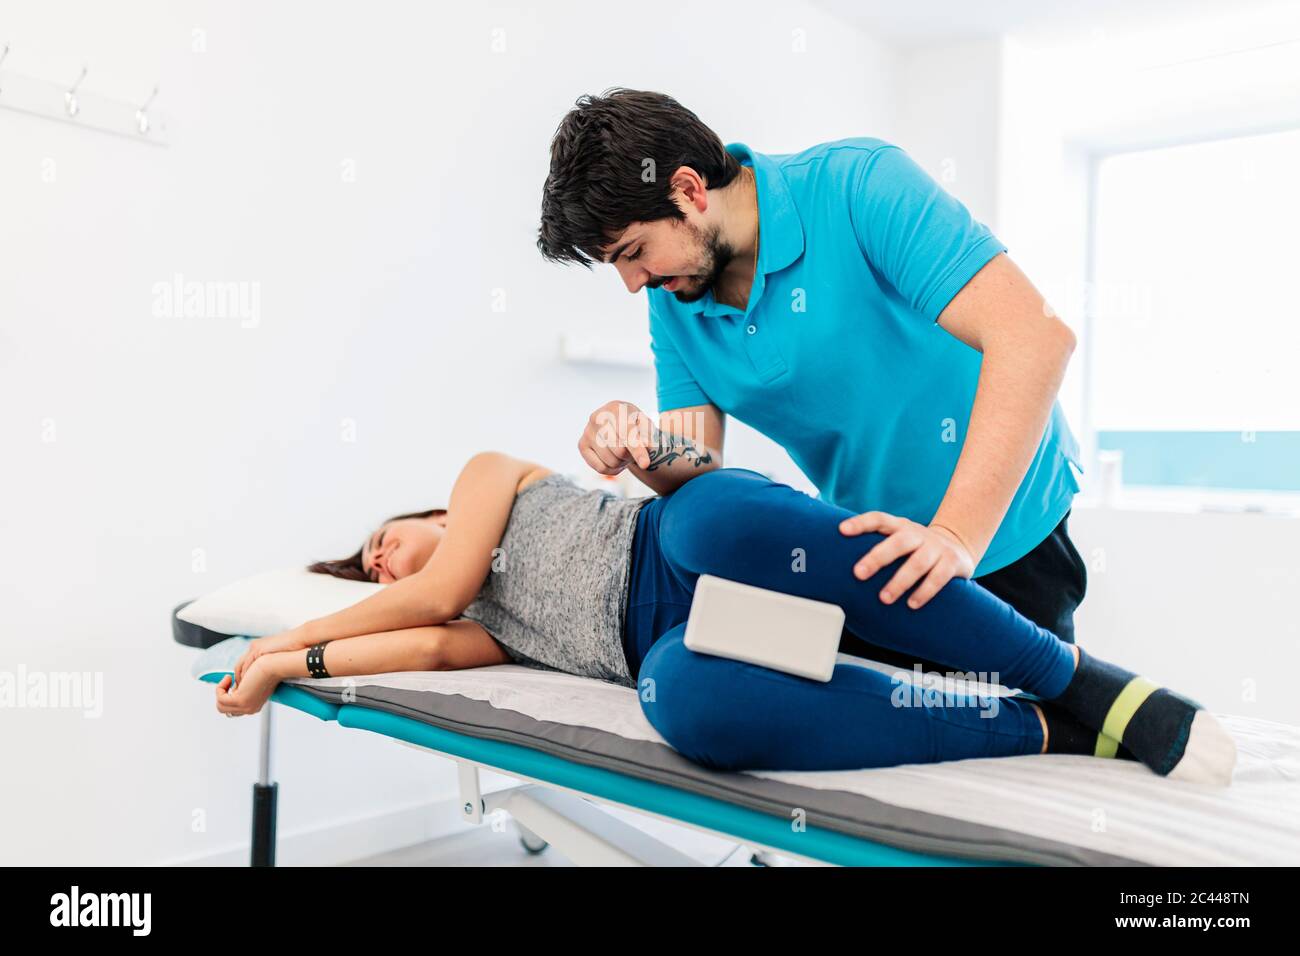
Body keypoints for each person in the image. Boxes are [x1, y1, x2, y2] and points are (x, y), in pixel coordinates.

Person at [216, 450, 1236, 786]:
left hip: (692, 545)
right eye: (361, 570)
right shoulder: (488, 620)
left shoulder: (483, 479)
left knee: (705, 514)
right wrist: (293, 655)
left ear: (426, 513)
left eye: (377, 542)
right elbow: (435, 638)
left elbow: (425, 595)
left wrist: (275, 639)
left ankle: (1071, 674)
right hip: (693, 636)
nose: (378, 559)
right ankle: (1037, 724)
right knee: (680, 697)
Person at [538, 89, 1087, 674]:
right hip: (874, 548)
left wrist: (954, 536)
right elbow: (697, 461)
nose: (633, 282)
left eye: (635, 252)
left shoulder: (858, 185)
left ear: (689, 190)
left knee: (1018, 738)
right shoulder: (675, 298)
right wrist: (639, 440)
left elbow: (1035, 336)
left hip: (1005, 531)